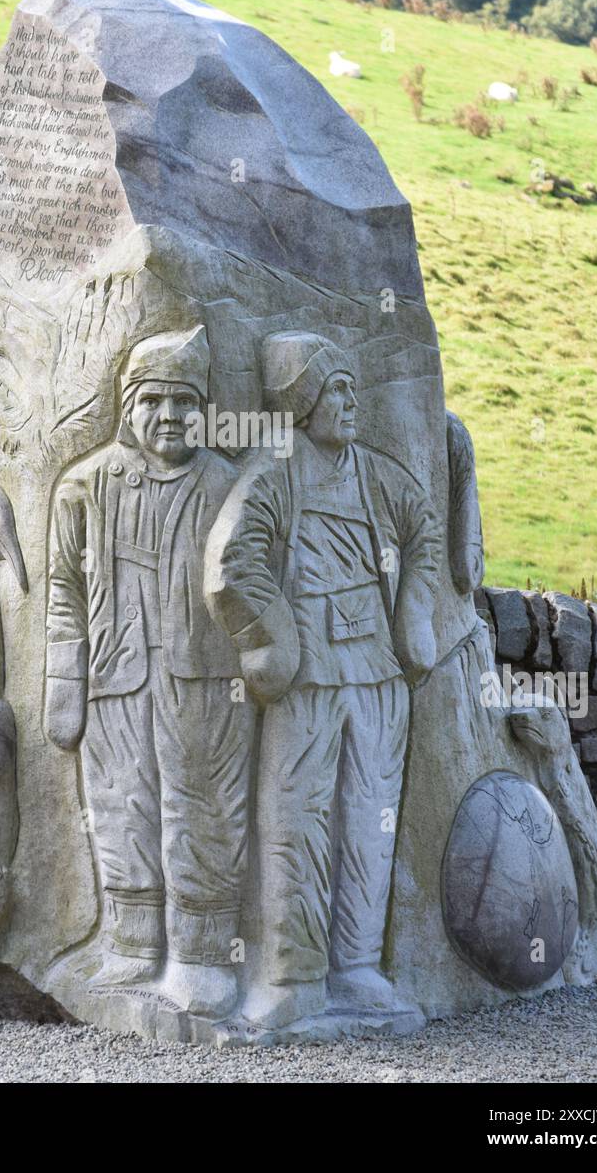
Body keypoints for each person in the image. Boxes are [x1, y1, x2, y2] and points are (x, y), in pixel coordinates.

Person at [205, 331, 442, 1029]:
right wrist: (274, 637)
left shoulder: (377, 476)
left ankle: (359, 965)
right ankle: (292, 973)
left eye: (351, 389)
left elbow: (424, 527)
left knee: (370, 821)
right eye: (336, 390)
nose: (350, 403)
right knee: (297, 822)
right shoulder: (276, 471)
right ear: (304, 401)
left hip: (376, 675)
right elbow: (231, 559)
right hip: (308, 679)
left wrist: (416, 611)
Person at [44, 325, 251, 1019]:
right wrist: (64, 681)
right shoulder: (85, 487)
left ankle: (201, 953)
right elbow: (63, 592)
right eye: (154, 401)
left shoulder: (227, 485)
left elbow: (254, 582)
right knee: (121, 803)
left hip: (205, 685)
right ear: (128, 406)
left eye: (185, 403)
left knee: (203, 809)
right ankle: (132, 942)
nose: (169, 417)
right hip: (116, 679)